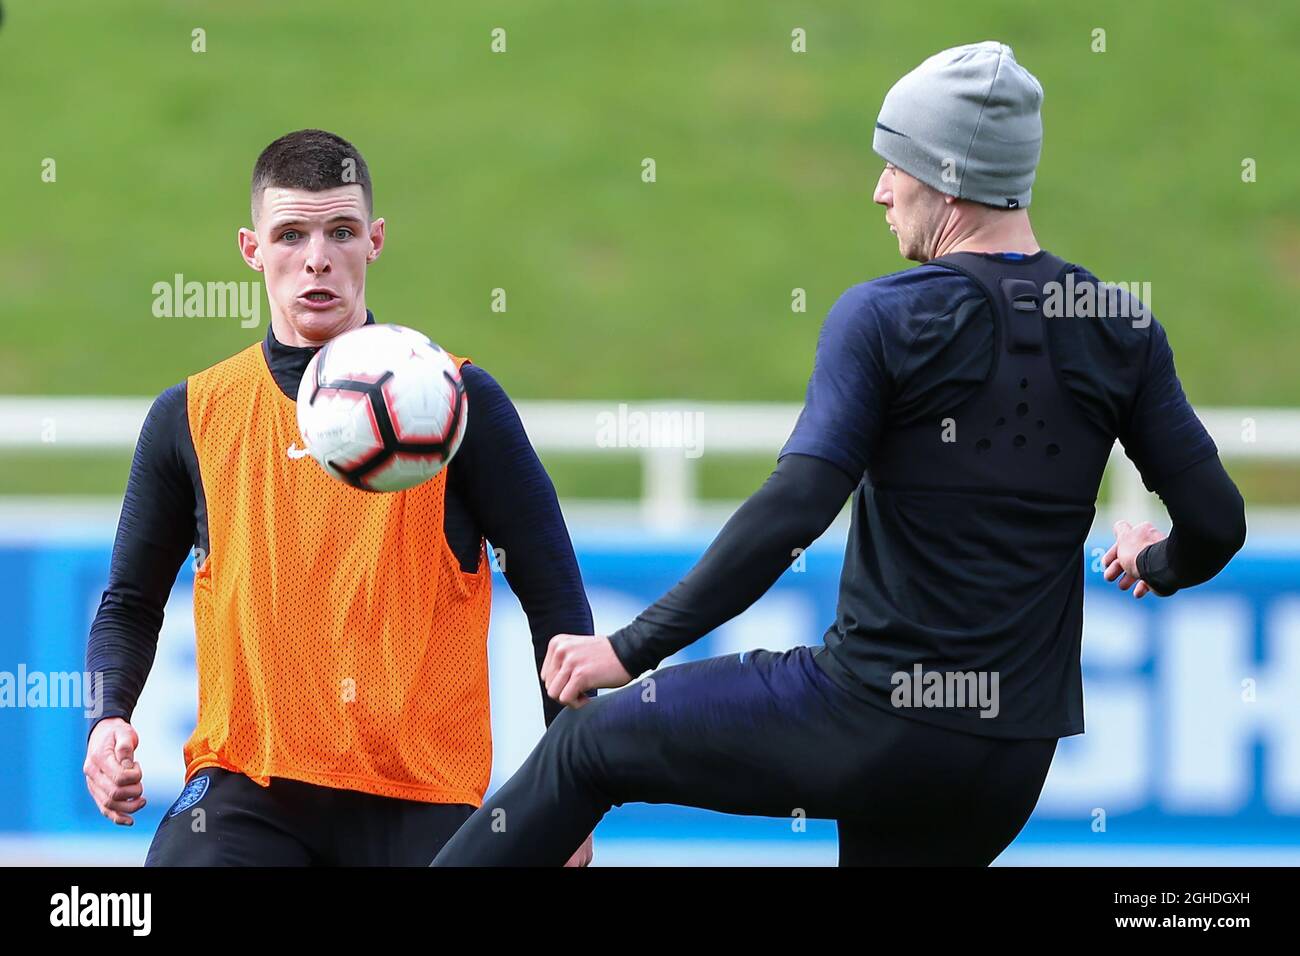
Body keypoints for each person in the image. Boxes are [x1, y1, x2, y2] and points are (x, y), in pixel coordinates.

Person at [431, 42, 1247, 867]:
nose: (881, 190)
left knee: (587, 746)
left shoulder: (887, 317)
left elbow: (794, 509)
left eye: (896, 164)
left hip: (874, 721)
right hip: (1010, 759)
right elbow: (1216, 523)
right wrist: (1159, 562)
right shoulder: (1118, 327)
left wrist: (626, 648)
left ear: (946, 174)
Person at [84, 129, 595, 866]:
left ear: (375, 241)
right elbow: (130, 601)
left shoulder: (458, 402)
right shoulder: (191, 416)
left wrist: (569, 789)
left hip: (423, 799)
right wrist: (107, 722)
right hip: (247, 790)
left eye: (341, 232)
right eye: (290, 234)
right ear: (251, 249)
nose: (316, 258)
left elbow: (556, 602)